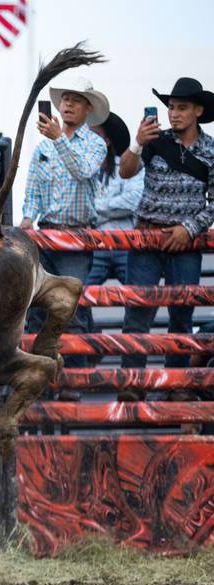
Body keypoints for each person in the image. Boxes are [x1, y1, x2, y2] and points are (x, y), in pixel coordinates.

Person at [117, 77, 214, 402]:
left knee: (181, 316)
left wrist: (189, 228)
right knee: (137, 313)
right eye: (171, 107)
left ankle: (177, 386)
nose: (174, 114)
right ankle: (132, 383)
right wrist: (137, 143)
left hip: (185, 241)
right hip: (147, 235)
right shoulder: (155, 141)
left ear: (198, 111)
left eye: (182, 108)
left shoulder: (211, 151)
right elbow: (125, 172)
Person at [21, 77, 109, 392]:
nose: (68, 104)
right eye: (65, 99)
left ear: (88, 108)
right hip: (47, 236)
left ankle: (75, 381)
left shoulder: (96, 143)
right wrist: (28, 218)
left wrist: (59, 139)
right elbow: (32, 191)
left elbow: (84, 170)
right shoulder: (43, 148)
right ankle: (40, 381)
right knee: (37, 308)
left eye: (76, 100)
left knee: (73, 311)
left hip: (76, 237)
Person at [76, 112, 144, 357]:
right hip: (96, 246)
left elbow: (134, 200)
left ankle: (130, 350)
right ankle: (92, 343)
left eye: (95, 134)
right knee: (78, 297)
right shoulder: (86, 170)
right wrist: (106, 208)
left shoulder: (126, 165)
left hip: (125, 244)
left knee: (137, 300)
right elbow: (84, 203)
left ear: (105, 140)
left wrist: (98, 209)